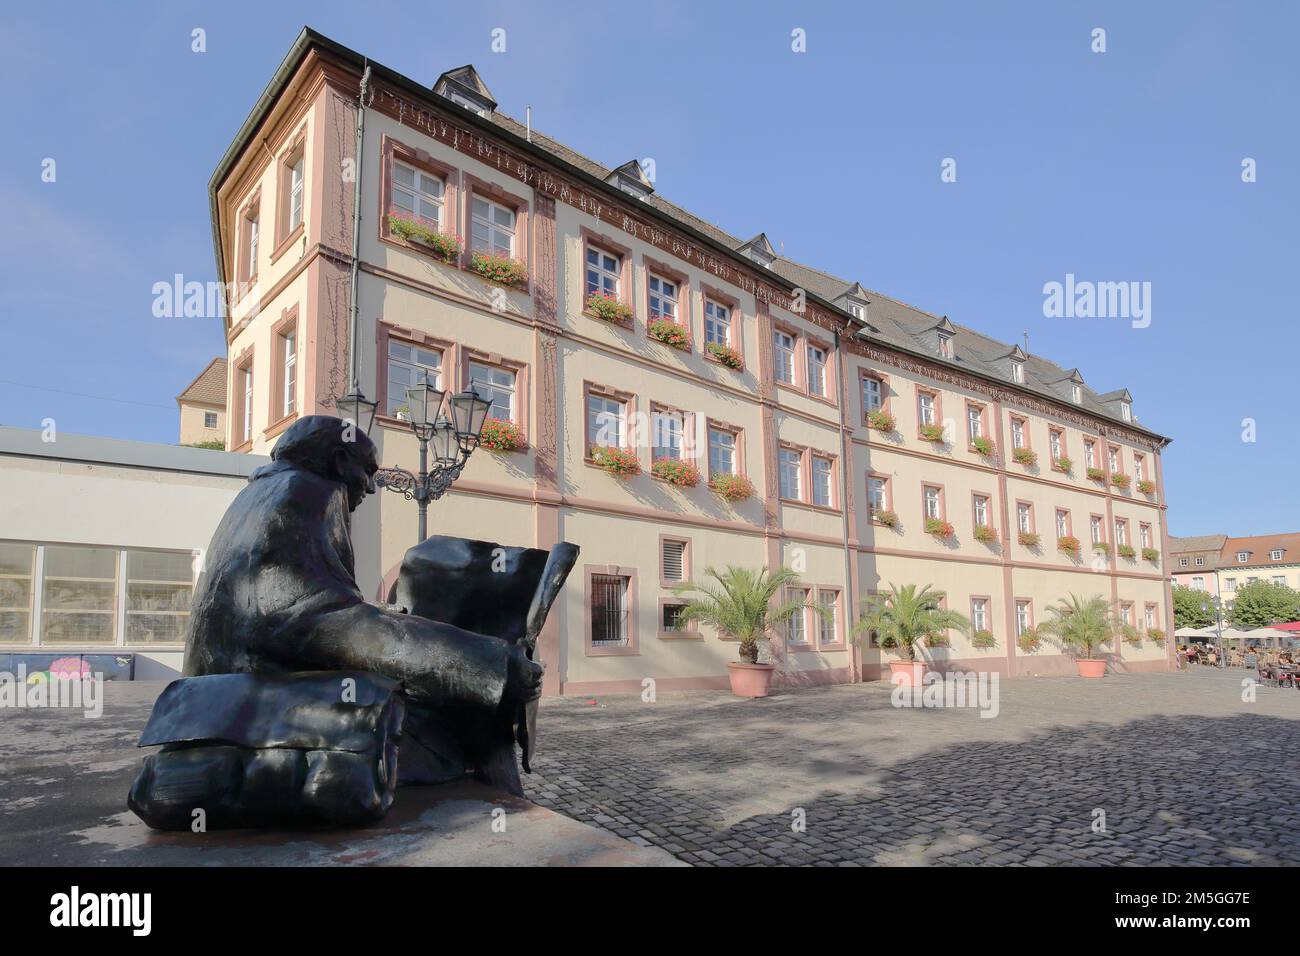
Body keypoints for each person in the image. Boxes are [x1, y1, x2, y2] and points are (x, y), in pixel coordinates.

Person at [183, 415, 543, 715]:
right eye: (368, 471)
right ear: (340, 462)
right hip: (247, 705)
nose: (371, 488)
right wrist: (492, 664)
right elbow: (323, 623)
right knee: (430, 725)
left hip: (223, 693)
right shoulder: (304, 492)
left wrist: (375, 611)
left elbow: (299, 606)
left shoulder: (261, 493)